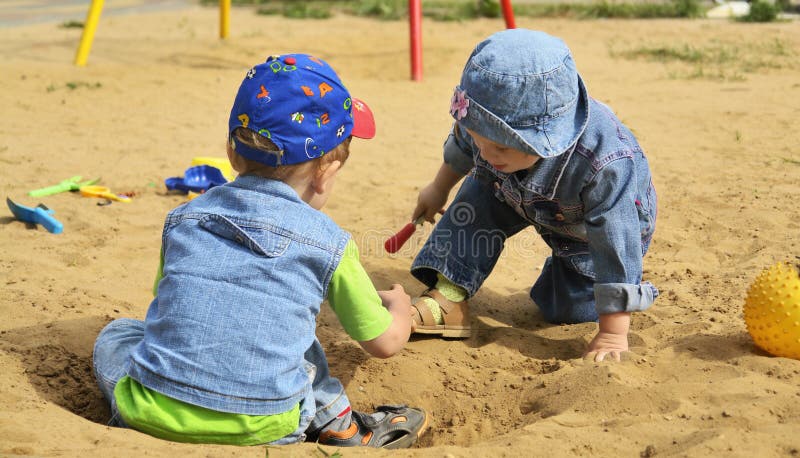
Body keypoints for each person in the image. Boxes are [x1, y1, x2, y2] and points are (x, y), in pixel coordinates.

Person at [92, 54, 428, 448]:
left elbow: (171, 304)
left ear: (232, 154)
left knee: (118, 335)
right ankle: (341, 424)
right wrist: (400, 307)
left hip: (149, 415)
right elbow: (385, 343)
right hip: (268, 424)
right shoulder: (330, 242)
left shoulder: (184, 218)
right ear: (326, 172)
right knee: (295, 341)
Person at [408, 29, 658, 362]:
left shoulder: (604, 164)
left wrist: (613, 333)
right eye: (478, 137)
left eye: (500, 145)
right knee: (478, 194)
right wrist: (439, 188)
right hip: (513, 191)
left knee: (562, 307)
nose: (486, 150)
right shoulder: (486, 137)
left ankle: (577, 275)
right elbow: (464, 146)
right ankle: (449, 298)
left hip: (587, 231)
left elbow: (617, 241)